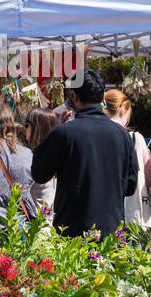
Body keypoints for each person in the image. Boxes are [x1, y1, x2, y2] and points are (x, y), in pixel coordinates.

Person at [31, 68, 137, 237]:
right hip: (111, 234)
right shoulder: (122, 135)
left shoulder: (64, 133)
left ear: (73, 96)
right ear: (102, 98)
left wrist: (53, 133)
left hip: (72, 235)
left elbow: (39, 173)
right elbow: (130, 186)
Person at [103, 89, 151, 228]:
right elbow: (149, 175)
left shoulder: (95, 135)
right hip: (132, 210)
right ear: (124, 110)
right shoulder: (134, 138)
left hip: (104, 209)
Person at [22, 107, 60, 218]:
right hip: (49, 221)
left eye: (26, 125)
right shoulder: (55, 154)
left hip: (36, 225)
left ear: (36, 128)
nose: (24, 129)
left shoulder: (33, 158)